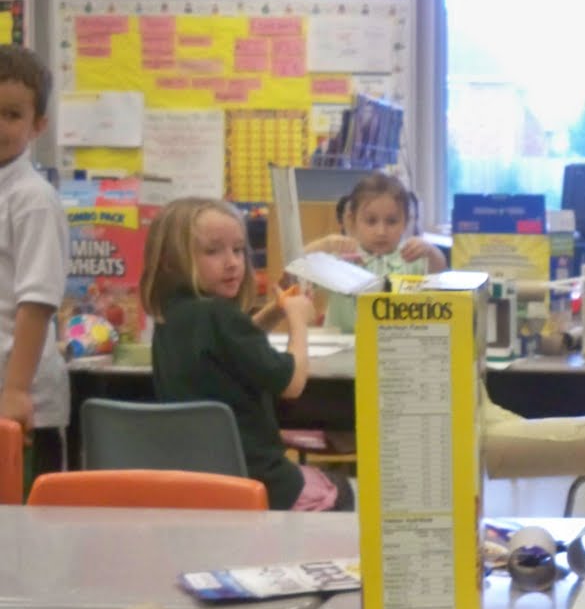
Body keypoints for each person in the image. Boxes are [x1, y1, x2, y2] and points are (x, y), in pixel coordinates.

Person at [140, 197, 353, 512]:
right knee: (341, 490)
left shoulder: (172, 316)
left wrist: (274, 312)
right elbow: (292, 384)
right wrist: (298, 322)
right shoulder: (220, 317)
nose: (232, 262)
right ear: (172, 261)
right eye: (213, 251)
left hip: (200, 482)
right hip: (260, 483)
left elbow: (232, 344)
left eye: (238, 250)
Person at [0, 46, 69, 477]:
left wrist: (16, 389)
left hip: (20, 404)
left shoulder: (32, 199)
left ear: (37, 125)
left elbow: (38, 300)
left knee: (21, 533)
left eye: (11, 115)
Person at [306, 172, 444, 333]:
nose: (381, 231)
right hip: (343, 350)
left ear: (405, 222)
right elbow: (295, 269)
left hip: (396, 347)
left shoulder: (411, 257)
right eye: (371, 221)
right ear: (352, 220)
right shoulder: (341, 258)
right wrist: (325, 244)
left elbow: (439, 275)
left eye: (391, 221)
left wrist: (431, 252)